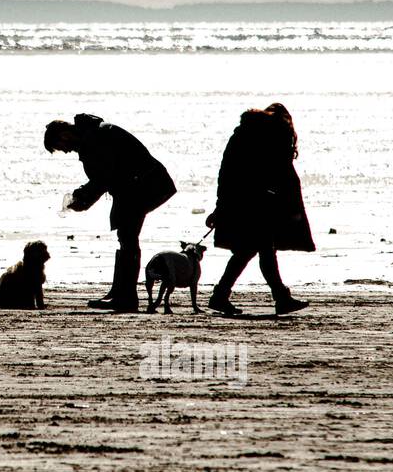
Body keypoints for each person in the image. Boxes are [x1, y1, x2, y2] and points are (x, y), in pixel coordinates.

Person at [45, 114, 176, 312]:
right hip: (139, 184)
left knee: (128, 236)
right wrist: (84, 197)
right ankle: (121, 293)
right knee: (126, 235)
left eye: (61, 147)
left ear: (64, 135)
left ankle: (126, 298)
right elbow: (104, 176)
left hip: (144, 184)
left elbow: (103, 176)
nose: (66, 151)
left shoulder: (96, 138)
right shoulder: (94, 134)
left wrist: (83, 199)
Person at [206, 102, 314, 316]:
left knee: (247, 250)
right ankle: (280, 298)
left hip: (241, 201)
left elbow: (226, 173)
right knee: (263, 250)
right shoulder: (272, 134)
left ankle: (220, 296)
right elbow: (279, 174)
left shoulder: (243, 134)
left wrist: (221, 206)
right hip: (259, 202)